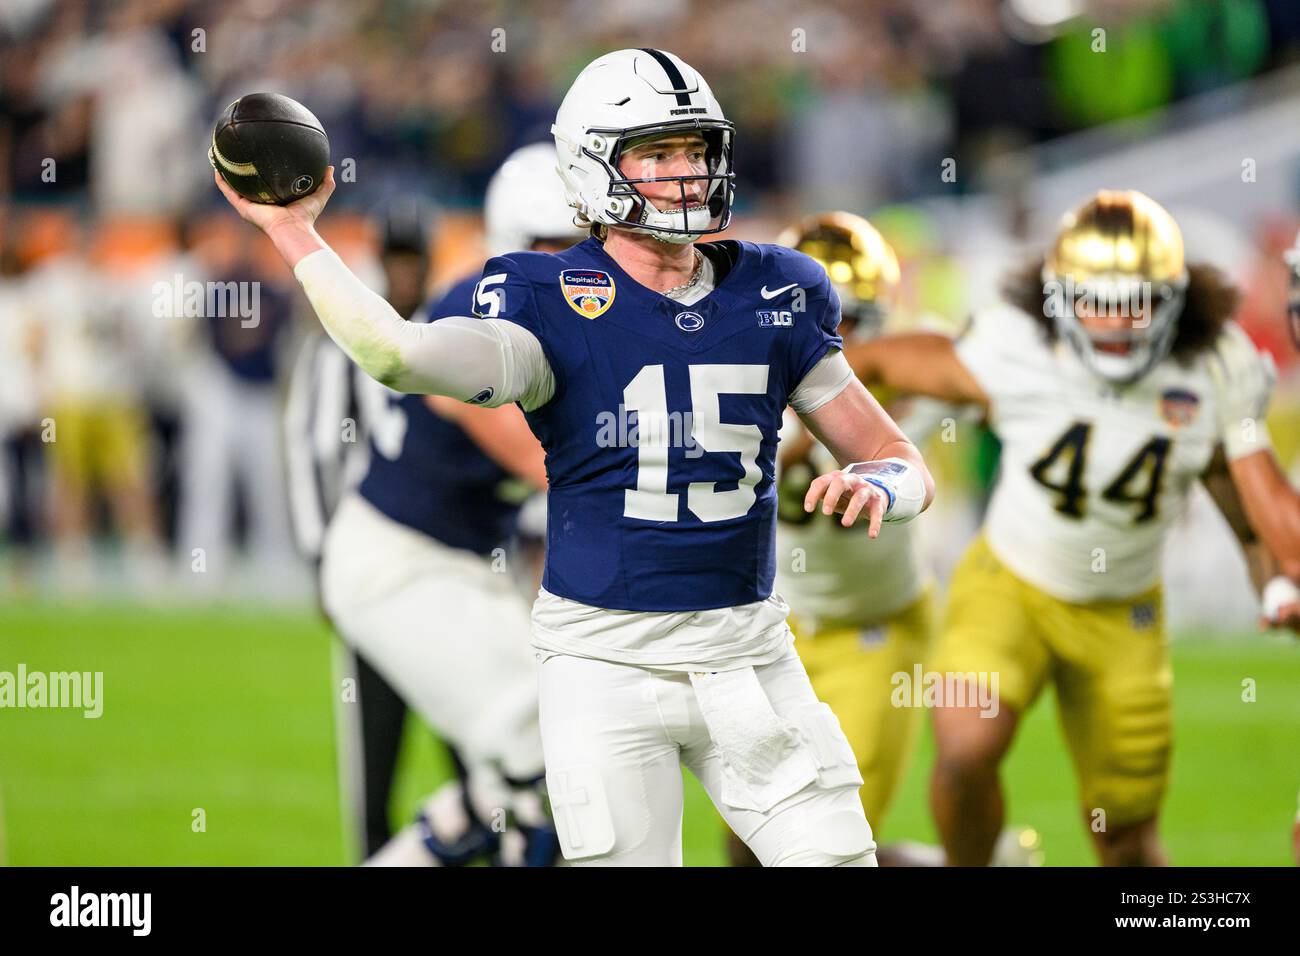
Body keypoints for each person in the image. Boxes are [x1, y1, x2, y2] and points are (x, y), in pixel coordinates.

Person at [215, 48, 933, 867]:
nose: (687, 173)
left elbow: (893, 453)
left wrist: (883, 483)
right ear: (594, 168)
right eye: (657, 153)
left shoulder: (775, 287)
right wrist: (293, 232)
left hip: (748, 653)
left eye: (696, 150)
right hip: (604, 664)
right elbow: (398, 356)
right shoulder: (543, 298)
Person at [845, 189, 1281, 866]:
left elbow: (1246, 519)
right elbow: (878, 360)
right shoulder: (1015, 345)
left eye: (1135, 302)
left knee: (1126, 836)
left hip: (1123, 613)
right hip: (1009, 587)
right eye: (1096, 304)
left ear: (1174, 301)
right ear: (1057, 300)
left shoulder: (1212, 366)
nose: (1114, 325)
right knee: (965, 750)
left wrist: (1271, 589)